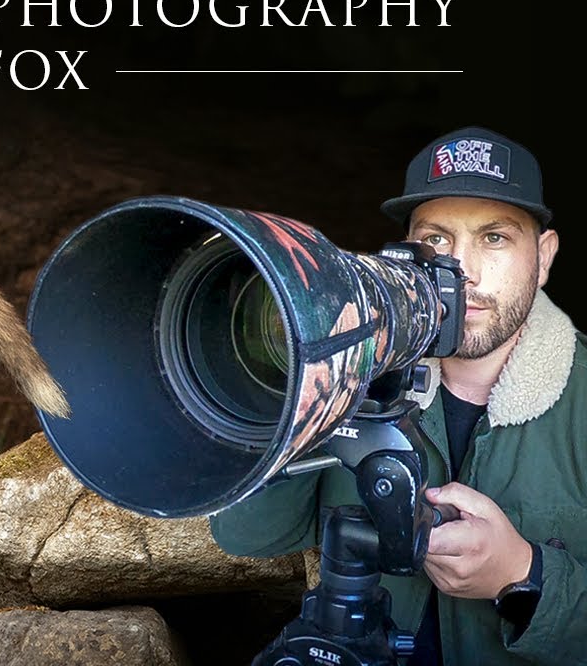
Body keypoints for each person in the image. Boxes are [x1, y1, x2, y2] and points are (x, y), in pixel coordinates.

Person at [210, 126, 586, 664]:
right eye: (436, 239)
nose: (462, 272)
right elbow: (247, 537)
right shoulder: (357, 373)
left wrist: (524, 576)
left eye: (494, 238)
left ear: (544, 256)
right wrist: (288, 377)